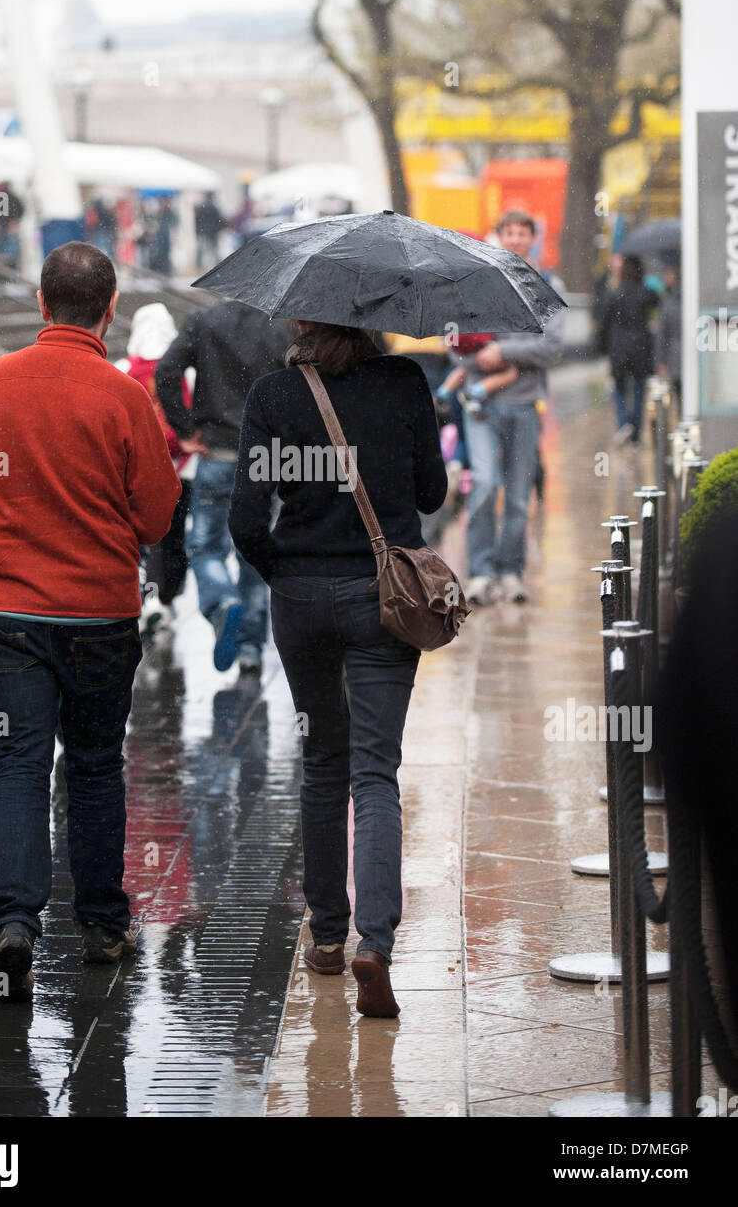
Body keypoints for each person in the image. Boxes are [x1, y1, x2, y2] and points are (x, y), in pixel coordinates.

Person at [0, 242, 181, 999]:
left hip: (11, 610)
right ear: (109, 311)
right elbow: (154, 514)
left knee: (16, 764)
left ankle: (13, 922)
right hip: (102, 615)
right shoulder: (126, 398)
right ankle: (105, 923)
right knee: (95, 765)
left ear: (42, 305)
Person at [228, 322, 447, 1017]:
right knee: (374, 768)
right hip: (382, 598)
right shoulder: (406, 382)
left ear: (300, 322)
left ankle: (325, 934)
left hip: (299, 596)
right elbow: (433, 494)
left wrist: (284, 571)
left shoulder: (272, 395)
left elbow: (243, 519)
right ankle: (372, 942)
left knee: (322, 760)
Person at [155, 299, 287, 676]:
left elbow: (167, 372)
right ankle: (250, 649)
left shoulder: (204, 319)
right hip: (265, 457)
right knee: (255, 552)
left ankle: (221, 602)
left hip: (217, 450)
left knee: (206, 545)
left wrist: (185, 429)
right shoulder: (280, 326)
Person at [462, 210, 565, 606]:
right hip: (483, 406)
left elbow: (551, 347)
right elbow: (462, 348)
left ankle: (510, 571)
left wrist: (502, 352)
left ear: (533, 239)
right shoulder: (481, 285)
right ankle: (481, 571)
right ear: (500, 236)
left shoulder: (547, 287)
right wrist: (486, 361)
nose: (517, 239)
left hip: (524, 405)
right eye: (510, 232)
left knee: (519, 496)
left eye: (524, 232)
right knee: (485, 485)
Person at [114, 302, 194, 633]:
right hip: (180, 467)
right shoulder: (183, 369)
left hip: (138, 470)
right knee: (173, 535)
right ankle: (167, 595)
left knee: (141, 535)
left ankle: (147, 593)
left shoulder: (122, 368)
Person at [599, 252, 655, 445]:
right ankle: (636, 434)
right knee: (639, 391)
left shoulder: (614, 294)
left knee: (619, 390)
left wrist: (603, 349)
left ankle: (624, 423)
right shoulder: (646, 293)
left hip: (618, 350)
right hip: (641, 349)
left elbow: (603, 325)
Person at [655, 256, 682, 410]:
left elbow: (662, 334)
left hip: (674, 357)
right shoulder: (680, 298)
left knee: (678, 397)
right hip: (685, 356)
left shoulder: (669, 301)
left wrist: (660, 361)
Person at [194, 192, 225, 272]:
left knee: (202, 251)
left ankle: (200, 268)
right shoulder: (214, 207)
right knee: (212, 252)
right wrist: (217, 230)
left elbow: (197, 220)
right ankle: (214, 269)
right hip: (212, 233)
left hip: (203, 232)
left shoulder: (202, 207)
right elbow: (219, 221)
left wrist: (198, 231)